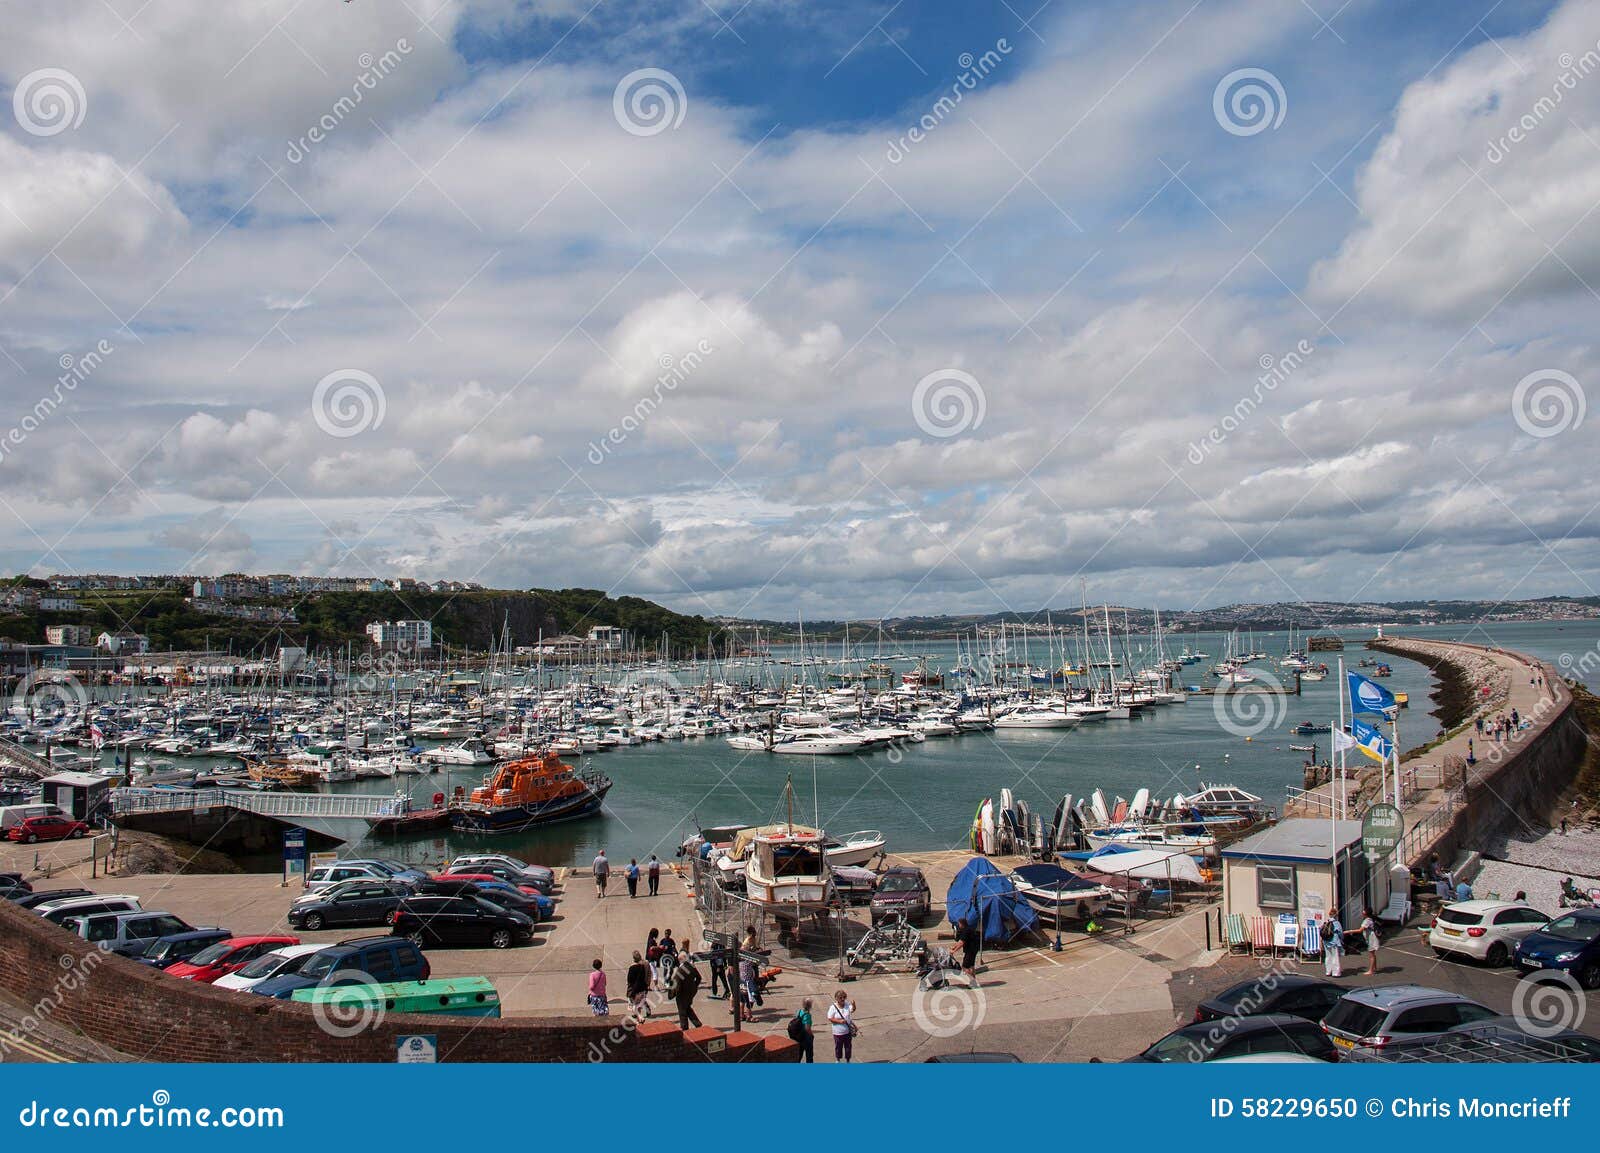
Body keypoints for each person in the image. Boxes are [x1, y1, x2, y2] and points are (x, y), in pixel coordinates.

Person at [669, 954, 702, 1030]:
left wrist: (674, 994)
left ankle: (684, 1027)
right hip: (691, 992)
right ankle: (697, 1023)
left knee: (682, 1010)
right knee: (687, 1008)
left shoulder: (680, 970)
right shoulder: (692, 967)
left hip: (682, 993)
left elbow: (677, 984)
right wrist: (694, 986)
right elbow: (699, 978)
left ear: (680, 960)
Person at [826, 990, 857, 1062]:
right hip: (838, 1033)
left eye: (844, 997)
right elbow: (830, 1018)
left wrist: (854, 1005)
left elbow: (852, 1010)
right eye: (841, 997)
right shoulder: (833, 1007)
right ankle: (838, 1060)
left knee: (848, 1047)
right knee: (838, 1047)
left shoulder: (847, 1004)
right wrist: (839, 1021)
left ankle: (848, 1060)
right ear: (836, 998)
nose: (843, 999)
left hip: (847, 1032)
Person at [954, 916, 982, 988]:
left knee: (964, 966)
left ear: (962, 924)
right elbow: (960, 941)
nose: (958, 925)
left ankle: (971, 982)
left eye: (959, 924)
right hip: (974, 949)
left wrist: (953, 951)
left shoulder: (966, 931)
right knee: (971, 966)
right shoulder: (968, 929)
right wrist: (954, 947)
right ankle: (974, 982)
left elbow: (961, 943)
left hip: (970, 950)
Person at [625, 950, 651, 1017]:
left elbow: (630, 978)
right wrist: (648, 983)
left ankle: (637, 1013)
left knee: (637, 999)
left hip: (638, 985)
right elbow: (649, 974)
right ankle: (645, 1010)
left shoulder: (635, 966)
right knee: (642, 998)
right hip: (644, 984)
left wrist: (629, 984)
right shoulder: (646, 963)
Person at [792, 997, 815, 1063]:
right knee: (809, 1055)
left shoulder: (799, 1011)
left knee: (799, 1054)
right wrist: (811, 1035)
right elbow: (807, 1028)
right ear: (810, 1006)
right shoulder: (807, 1015)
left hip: (798, 1036)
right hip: (805, 1037)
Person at [1361, 907, 1379, 975]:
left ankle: (1371, 970)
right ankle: (1374, 968)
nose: (1362, 913)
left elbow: (1360, 930)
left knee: (1371, 955)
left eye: (1363, 912)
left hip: (1371, 938)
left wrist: (1348, 931)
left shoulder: (1367, 921)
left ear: (1366, 913)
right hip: (1371, 937)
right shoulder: (1369, 919)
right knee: (1373, 954)